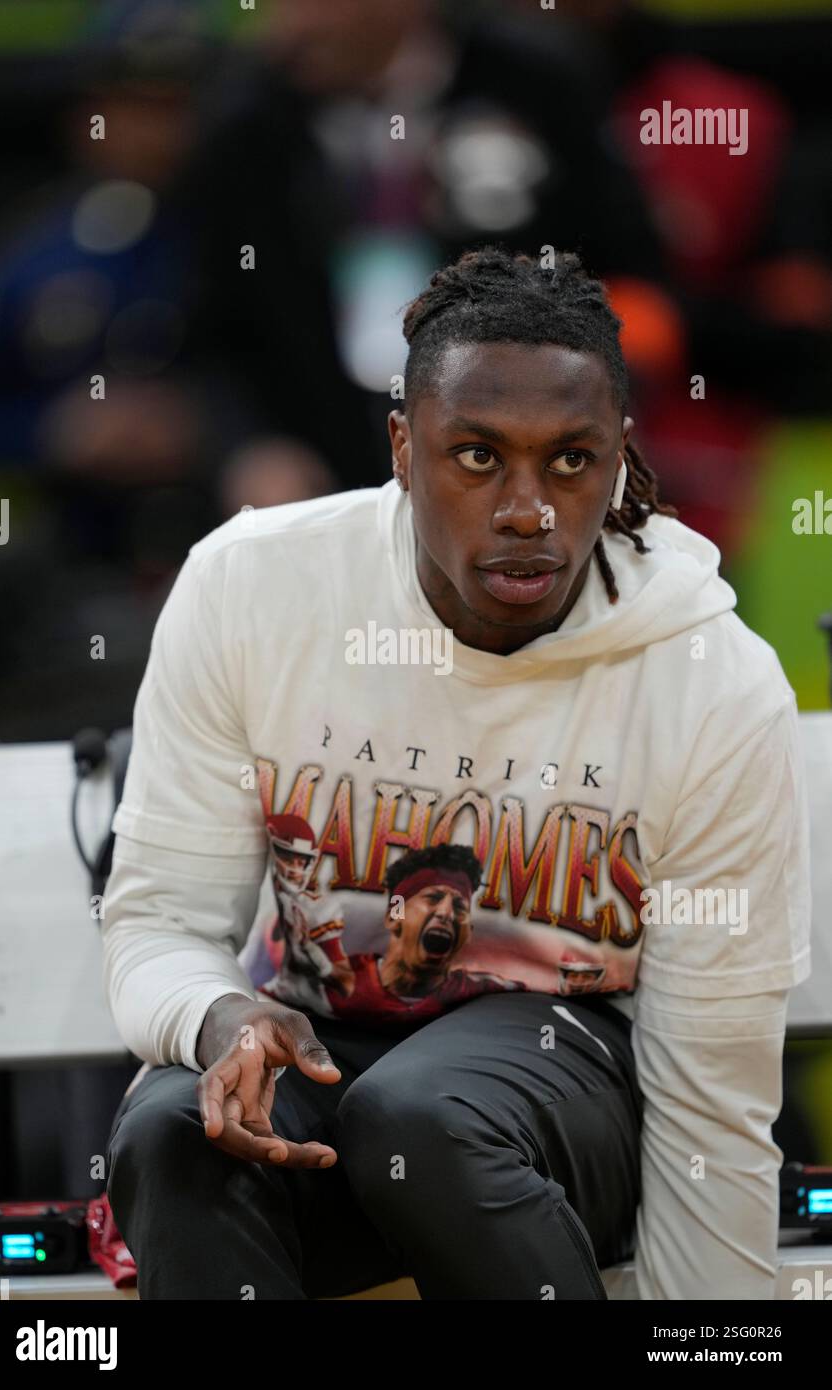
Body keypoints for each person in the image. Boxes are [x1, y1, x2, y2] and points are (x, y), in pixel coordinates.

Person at [102, 246, 810, 1301]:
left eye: (569, 460)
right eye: (476, 457)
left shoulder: (707, 678)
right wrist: (219, 1017)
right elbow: (156, 922)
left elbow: (710, 1089)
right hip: (336, 1078)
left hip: (573, 1114)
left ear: (618, 455)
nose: (526, 509)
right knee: (177, 1127)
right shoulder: (252, 586)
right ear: (401, 446)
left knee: (428, 1112)